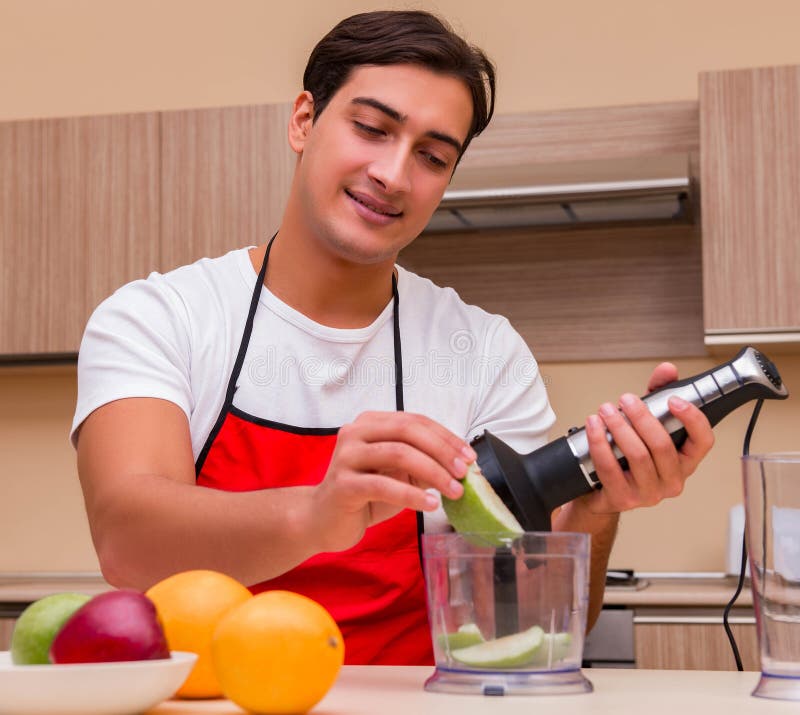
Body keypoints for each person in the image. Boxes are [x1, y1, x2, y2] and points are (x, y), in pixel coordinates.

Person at [71, 10, 714, 665]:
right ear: (303, 121)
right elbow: (128, 541)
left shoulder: (486, 351)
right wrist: (320, 512)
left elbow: (525, 625)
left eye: (433, 157)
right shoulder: (159, 317)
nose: (394, 174)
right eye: (372, 129)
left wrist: (597, 510)